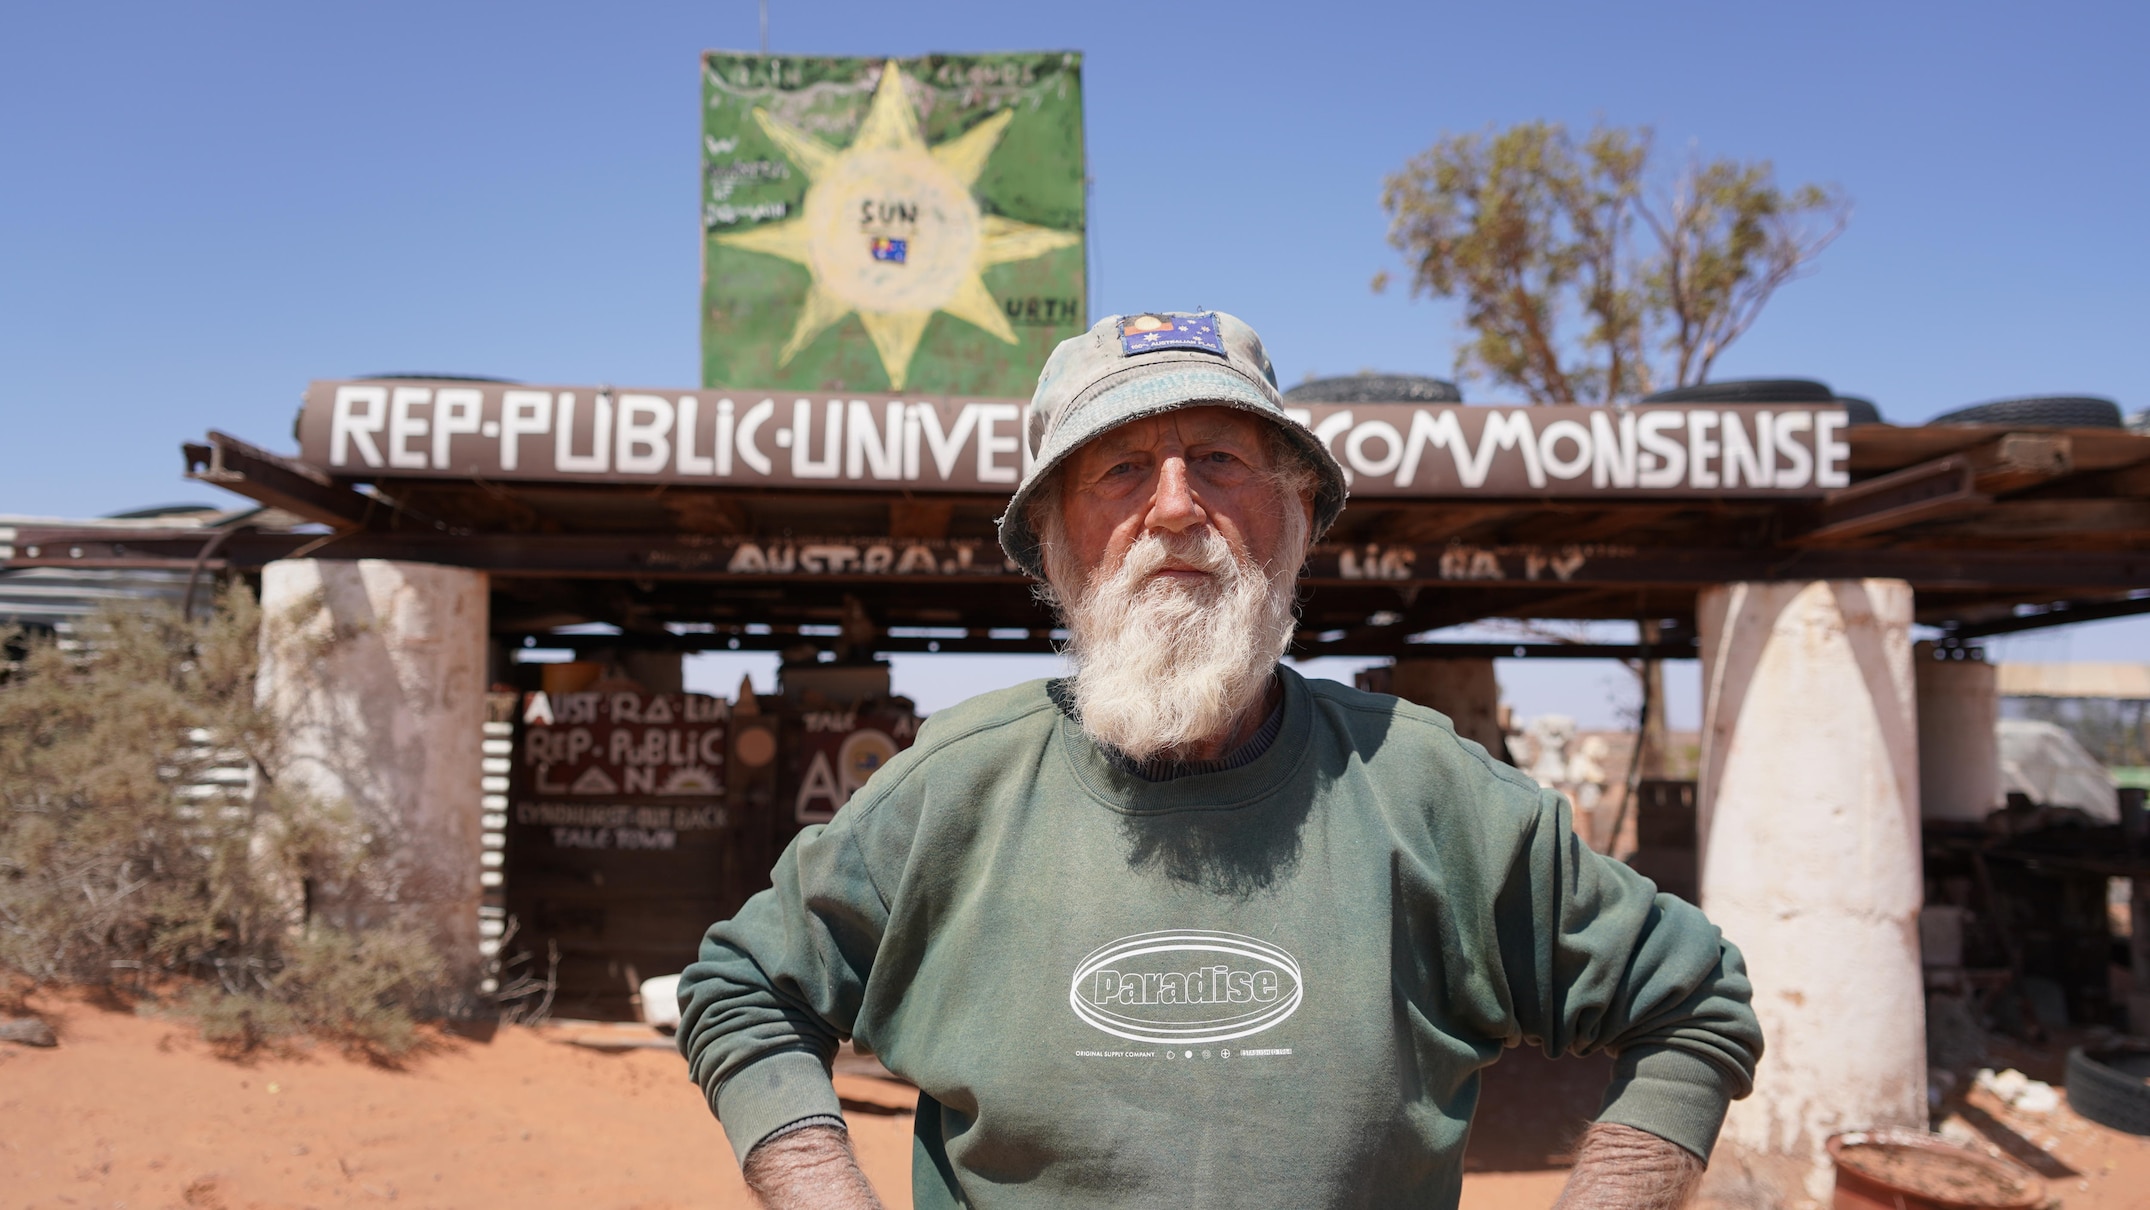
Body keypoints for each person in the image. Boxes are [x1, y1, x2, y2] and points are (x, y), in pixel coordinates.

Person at [678, 311, 1763, 1210]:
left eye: (1217, 460)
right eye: (1117, 471)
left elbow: (1693, 1001)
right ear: (1057, 543)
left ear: (1294, 514)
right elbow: (742, 988)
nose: (1172, 508)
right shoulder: (955, 786)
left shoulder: (1426, 792)